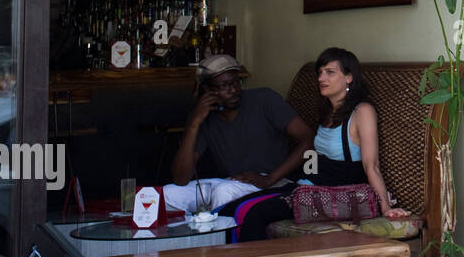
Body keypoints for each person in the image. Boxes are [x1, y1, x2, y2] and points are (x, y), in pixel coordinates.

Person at [234, 48, 410, 241]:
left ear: (349, 77)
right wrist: (300, 180)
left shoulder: (362, 111)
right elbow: (316, 159)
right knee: (235, 207)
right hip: (313, 184)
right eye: (320, 73)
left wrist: (385, 207)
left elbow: (371, 165)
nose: (321, 78)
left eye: (330, 72)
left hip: (337, 192)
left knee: (254, 214)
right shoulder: (328, 112)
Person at [166, 54, 312, 213]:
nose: (234, 89)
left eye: (236, 82)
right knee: (169, 194)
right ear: (207, 90)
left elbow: (309, 140)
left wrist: (269, 179)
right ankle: (193, 238)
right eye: (224, 85)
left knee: (224, 192)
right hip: (231, 183)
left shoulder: (264, 99)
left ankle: (220, 238)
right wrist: (194, 123)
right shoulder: (202, 117)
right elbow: (180, 179)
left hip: (274, 183)